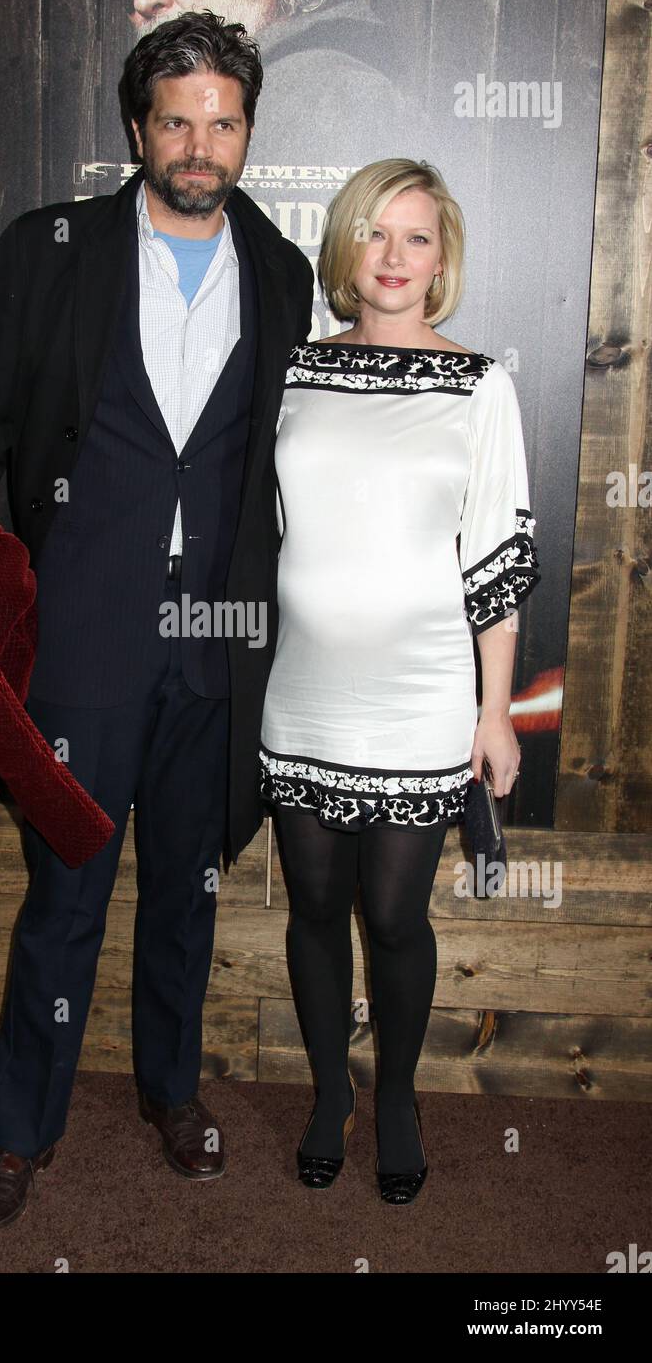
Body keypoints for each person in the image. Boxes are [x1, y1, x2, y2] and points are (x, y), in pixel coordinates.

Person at [0, 9, 314, 1231]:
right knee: (67, 893)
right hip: (82, 630)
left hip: (217, 642)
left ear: (247, 131)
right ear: (138, 128)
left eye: (223, 122)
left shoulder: (283, 273)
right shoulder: (50, 252)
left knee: (186, 887)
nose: (201, 144)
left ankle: (169, 1090)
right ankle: (17, 1135)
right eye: (177, 120)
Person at [259, 158, 541, 1202]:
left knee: (392, 916)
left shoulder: (477, 384)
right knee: (312, 906)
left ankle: (395, 1098)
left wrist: (494, 711)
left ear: (441, 257)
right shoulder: (292, 371)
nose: (392, 257)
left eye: (414, 238)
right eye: (374, 233)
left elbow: (496, 562)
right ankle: (329, 1090)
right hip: (303, 696)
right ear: (346, 248)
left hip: (421, 698)